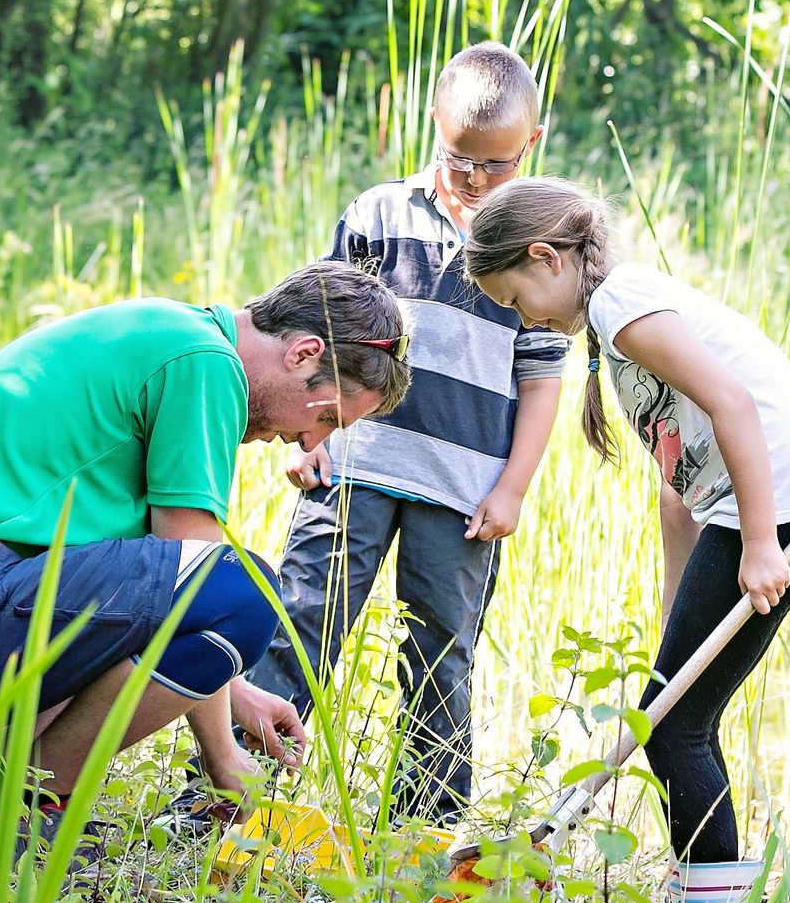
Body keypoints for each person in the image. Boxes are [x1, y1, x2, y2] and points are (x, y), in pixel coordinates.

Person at [0, 261, 411, 860]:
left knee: (181, 593)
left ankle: (0, 788)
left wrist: (233, 688)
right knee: (246, 589)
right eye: (325, 418)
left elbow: (164, 588)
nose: (310, 443)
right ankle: (18, 807)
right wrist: (225, 754)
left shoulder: (167, 334)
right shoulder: (203, 363)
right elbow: (202, 578)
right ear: (303, 353)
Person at [195, 43, 568, 825]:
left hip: (463, 491)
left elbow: (541, 372)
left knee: (440, 656)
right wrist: (311, 440)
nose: (474, 181)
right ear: (434, 127)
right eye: (459, 160)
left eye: (495, 166)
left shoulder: (538, 244)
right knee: (298, 620)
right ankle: (222, 800)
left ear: (530, 145)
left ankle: (420, 834)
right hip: (353, 464)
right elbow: (318, 334)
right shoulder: (378, 214)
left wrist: (513, 488)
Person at [463, 176, 790, 903]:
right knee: (671, 709)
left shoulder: (620, 305)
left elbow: (731, 401)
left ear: (545, 258)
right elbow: (680, 491)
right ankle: (703, 900)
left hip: (789, 515)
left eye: (514, 299)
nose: (525, 318)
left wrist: (764, 543)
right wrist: (675, 616)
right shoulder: (616, 328)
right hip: (747, 516)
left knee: (674, 727)